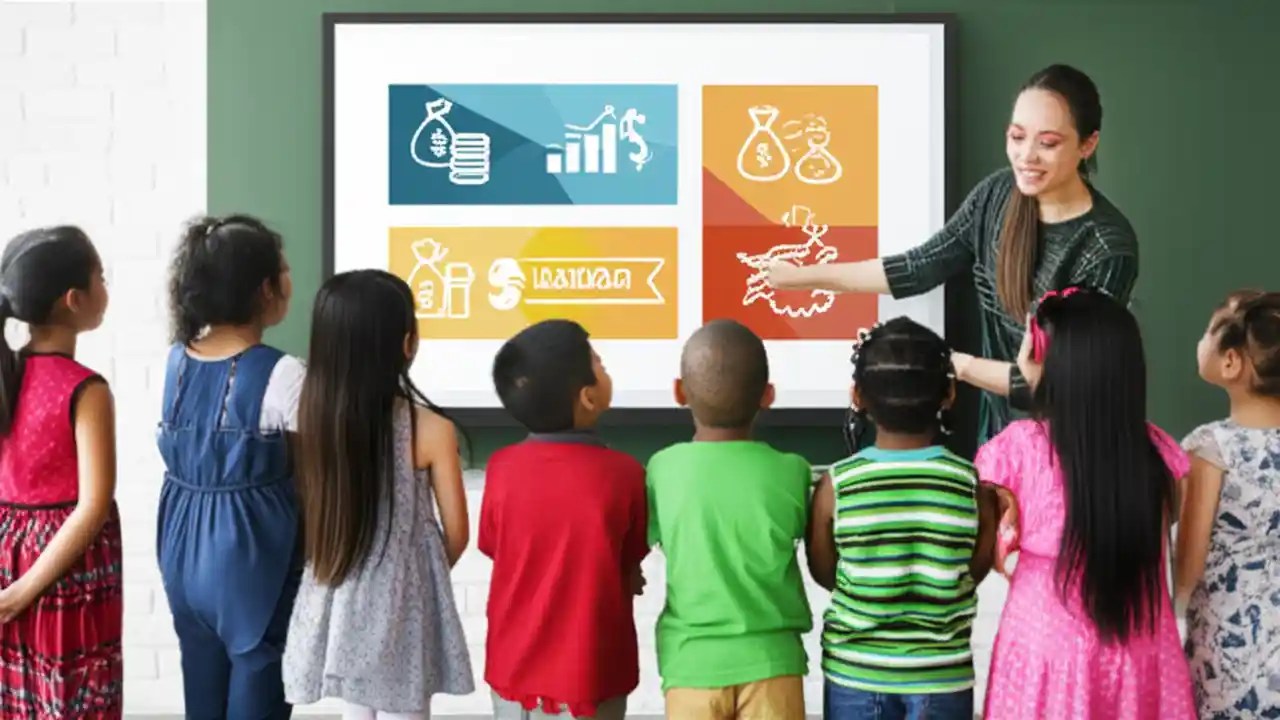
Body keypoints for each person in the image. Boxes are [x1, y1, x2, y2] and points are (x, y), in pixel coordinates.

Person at [766, 63, 1136, 443]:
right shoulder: (996, 196)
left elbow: (1061, 383)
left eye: (1048, 143)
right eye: (1017, 136)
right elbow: (918, 268)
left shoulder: (1106, 247)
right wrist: (799, 276)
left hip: (1077, 450)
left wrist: (954, 364)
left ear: (1088, 144)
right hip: (999, 445)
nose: (1026, 156)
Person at [974, 287, 1194, 719]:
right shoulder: (1159, 452)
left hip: (1046, 653)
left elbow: (989, 542)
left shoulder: (1016, 453)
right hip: (1141, 650)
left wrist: (1032, 381)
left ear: (1046, 363)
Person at [283, 269, 473, 720]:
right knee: (406, 709)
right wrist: (412, 576)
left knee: (357, 709)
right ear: (406, 343)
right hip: (406, 604)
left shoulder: (311, 419)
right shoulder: (430, 429)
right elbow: (459, 533)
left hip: (338, 587)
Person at [805, 317, 1014, 720]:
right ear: (949, 394)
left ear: (858, 396)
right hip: (942, 676)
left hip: (856, 674)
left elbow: (823, 570)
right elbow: (975, 565)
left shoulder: (839, 484)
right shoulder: (968, 483)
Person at [156, 215, 305, 719]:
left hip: (180, 549)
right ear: (265, 289)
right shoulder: (283, 372)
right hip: (253, 553)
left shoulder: (176, 362)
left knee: (201, 685)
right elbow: (310, 478)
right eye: (285, 271)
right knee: (258, 683)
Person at [480, 319, 648, 720]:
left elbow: (492, 546)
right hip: (593, 676)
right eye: (599, 362)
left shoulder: (500, 469)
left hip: (514, 672)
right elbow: (629, 557)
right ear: (588, 397)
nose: (606, 368)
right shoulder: (624, 474)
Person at [647, 319, 812, 720]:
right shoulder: (793, 471)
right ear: (768, 396)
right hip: (774, 663)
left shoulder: (661, 469)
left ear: (679, 392)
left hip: (691, 664)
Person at [0, 227, 121, 718]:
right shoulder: (86, 390)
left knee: (18, 695)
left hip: (8, 554)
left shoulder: (6, 375)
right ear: (75, 299)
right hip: (65, 571)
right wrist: (22, 594)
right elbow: (91, 506)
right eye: (101, 277)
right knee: (72, 698)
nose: (106, 288)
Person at [1176, 290, 1280, 719]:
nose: (1201, 339)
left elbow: (1190, 560)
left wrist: (1172, 617)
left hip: (1227, 647)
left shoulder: (1212, 448)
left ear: (1231, 362)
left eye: (1208, 330)